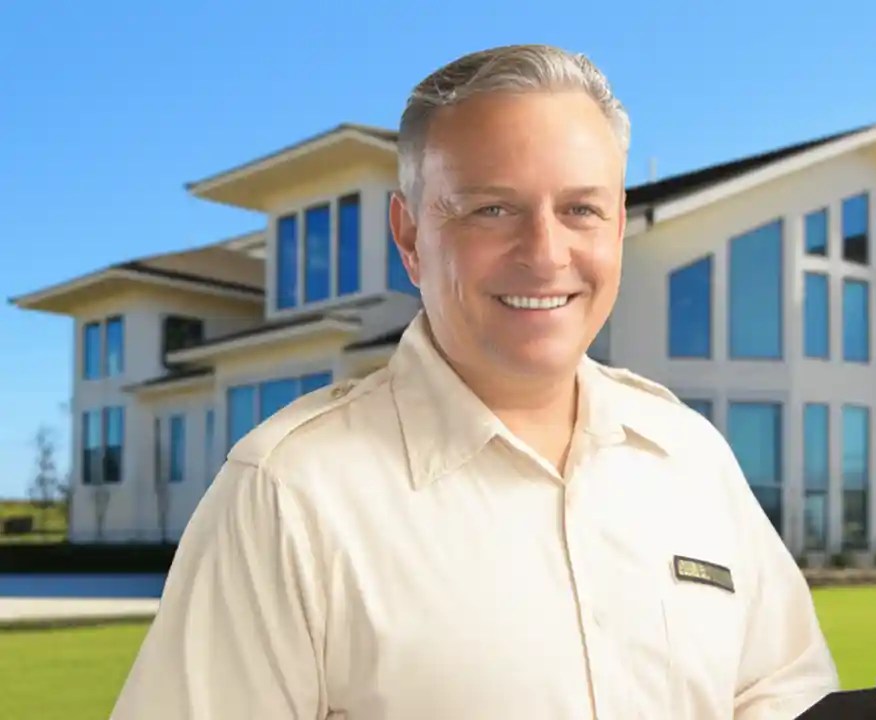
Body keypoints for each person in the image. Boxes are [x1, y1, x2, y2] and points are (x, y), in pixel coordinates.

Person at [111, 44, 838, 719]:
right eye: (492, 209)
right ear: (408, 237)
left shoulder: (690, 457)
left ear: (618, 226)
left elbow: (783, 688)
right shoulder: (290, 493)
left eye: (580, 209)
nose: (545, 254)